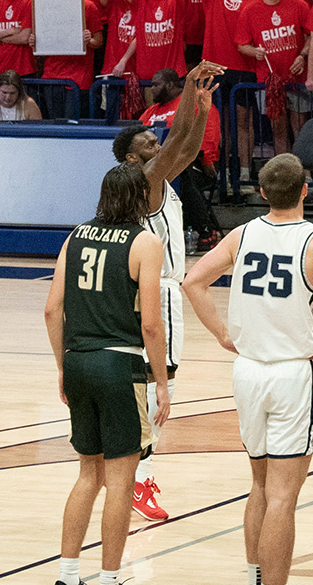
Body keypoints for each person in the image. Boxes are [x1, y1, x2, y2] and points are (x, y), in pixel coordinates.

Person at [181, 154, 313, 585]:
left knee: (259, 486)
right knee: (282, 497)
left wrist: (223, 334)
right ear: (304, 191)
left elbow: (192, 282)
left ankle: (253, 577)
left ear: (261, 193)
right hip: (293, 375)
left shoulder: (241, 234)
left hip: (247, 372)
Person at [41, 162, 170, 585]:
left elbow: (51, 309)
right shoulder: (146, 242)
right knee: (120, 481)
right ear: (141, 200)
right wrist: (162, 382)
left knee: (87, 474)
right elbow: (151, 324)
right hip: (119, 364)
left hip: (77, 359)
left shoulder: (75, 235)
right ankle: (111, 577)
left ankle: (67, 573)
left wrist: (63, 364)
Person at [108, 60, 221, 522]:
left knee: (157, 390)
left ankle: (135, 475)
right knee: (156, 393)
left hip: (164, 290)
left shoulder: (159, 177)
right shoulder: (144, 182)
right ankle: (139, 481)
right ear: (133, 159)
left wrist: (202, 107)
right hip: (157, 291)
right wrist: (191, 84)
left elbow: (187, 151)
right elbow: (175, 144)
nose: (157, 141)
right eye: (147, 142)